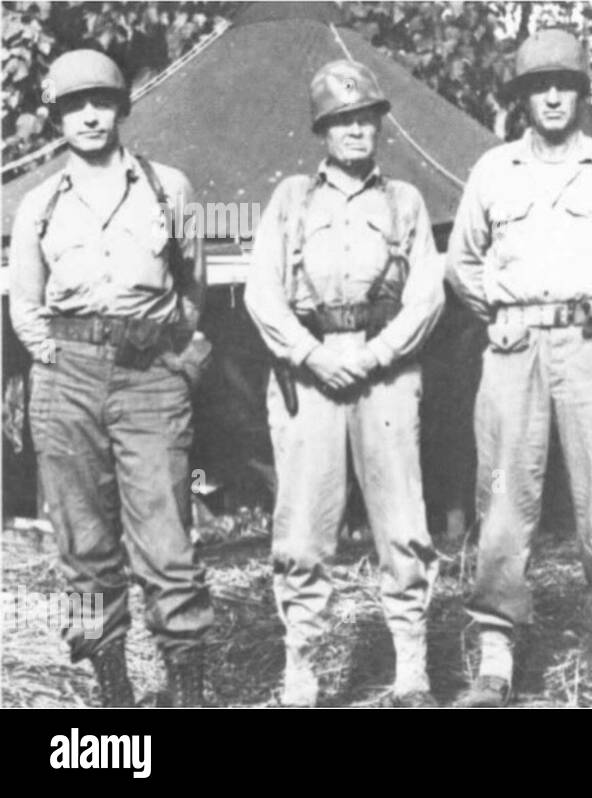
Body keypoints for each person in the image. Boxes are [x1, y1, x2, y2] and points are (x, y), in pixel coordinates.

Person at [446, 29, 592, 708]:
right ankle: (496, 662)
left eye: (566, 84)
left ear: (582, 93)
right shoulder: (493, 170)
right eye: (541, 86)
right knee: (504, 503)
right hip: (515, 351)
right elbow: (461, 263)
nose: (554, 97)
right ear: (524, 98)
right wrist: (493, 313)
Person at [9, 49, 213, 706]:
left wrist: (162, 351)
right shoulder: (38, 203)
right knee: (83, 546)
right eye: (74, 105)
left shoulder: (169, 188)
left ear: (121, 108)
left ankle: (186, 689)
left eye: (100, 102)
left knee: (166, 539)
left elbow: (193, 288)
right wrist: (62, 358)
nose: (89, 116)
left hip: (149, 375)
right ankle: (114, 690)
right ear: (58, 117)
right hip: (67, 378)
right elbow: (25, 306)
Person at [245, 60, 445, 707]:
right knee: (303, 528)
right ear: (323, 130)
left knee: (403, 524)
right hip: (311, 371)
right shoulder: (291, 200)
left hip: (385, 370)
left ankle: (412, 669)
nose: (357, 131)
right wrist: (312, 354)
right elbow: (263, 295)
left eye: (366, 118)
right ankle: (301, 669)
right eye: (342, 120)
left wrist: (378, 353)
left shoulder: (404, 201)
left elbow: (427, 296)